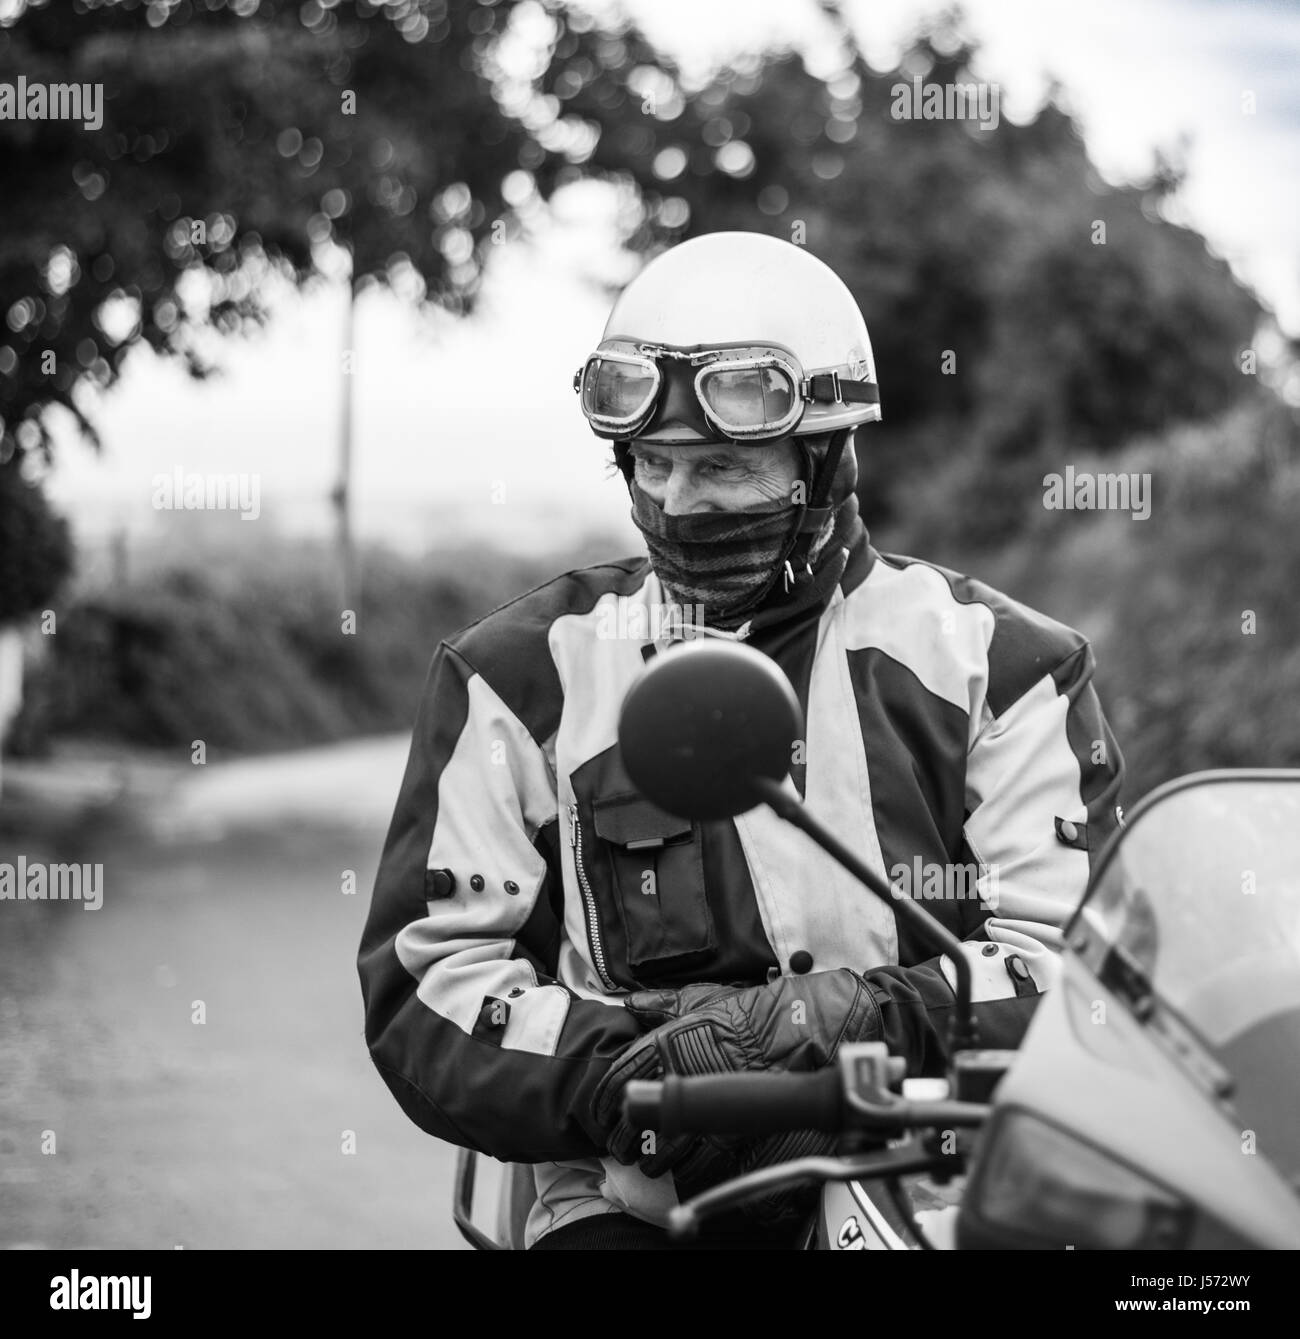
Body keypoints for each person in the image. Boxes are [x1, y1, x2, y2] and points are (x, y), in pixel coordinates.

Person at [356, 231, 1125, 1250]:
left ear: (825, 459)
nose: (676, 503)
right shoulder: (514, 674)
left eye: (719, 466)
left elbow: (1078, 974)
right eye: (652, 465)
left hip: (938, 1187)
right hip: (638, 1193)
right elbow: (426, 990)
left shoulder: (1005, 666)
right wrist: (632, 1068)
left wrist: (852, 1019)